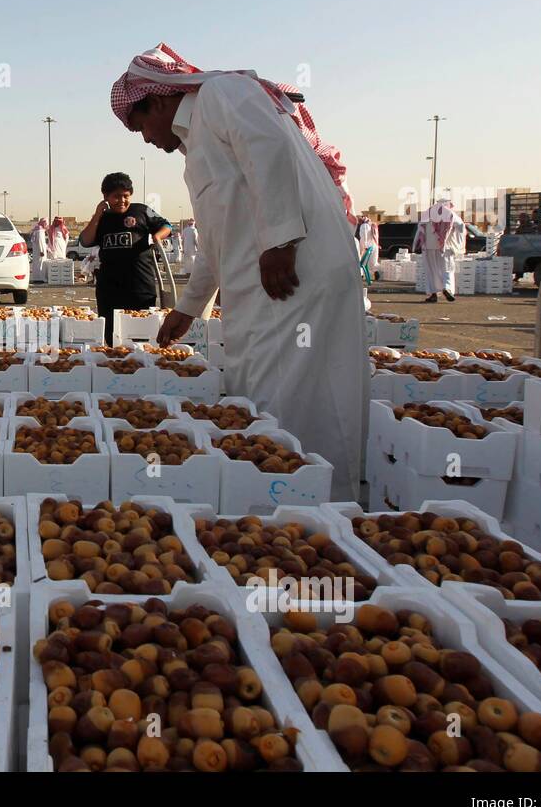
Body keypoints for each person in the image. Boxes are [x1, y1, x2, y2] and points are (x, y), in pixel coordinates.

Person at [113, 42, 367, 501]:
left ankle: (320, 505)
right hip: (262, 295)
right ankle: (274, 503)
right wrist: (188, 309)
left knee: (295, 402)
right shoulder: (196, 153)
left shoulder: (221, 95)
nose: (147, 139)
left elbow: (268, 150)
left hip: (296, 280)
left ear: (160, 98)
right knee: (260, 400)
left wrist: (280, 240)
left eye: (141, 125)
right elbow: (215, 239)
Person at [79, 172, 173, 345]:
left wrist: (158, 237)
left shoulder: (143, 210)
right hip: (109, 290)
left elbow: (166, 225)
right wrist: (97, 214)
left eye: (125, 196)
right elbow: (85, 240)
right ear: (106, 197)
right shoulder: (102, 218)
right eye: (116, 196)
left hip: (140, 287)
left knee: (141, 337)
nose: (122, 200)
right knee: (112, 338)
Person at [413, 199, 465, 302]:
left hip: (428, 247)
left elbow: (419, 230)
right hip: (445, 247)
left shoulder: (427, 213)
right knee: (447, 269)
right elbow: (461, 228)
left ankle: (433, 294)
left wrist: (415, 246)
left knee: (431, 271)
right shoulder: (450, 214)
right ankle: (447, 288)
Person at [355, 214, 379, 279]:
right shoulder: (369, 225)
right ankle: (375, 273)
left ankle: (361, 274)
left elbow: (364, 237)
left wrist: (364, 247)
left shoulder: (364, 226)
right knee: (371, 262)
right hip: (371, 245)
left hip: (365, 245)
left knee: (361, 261)